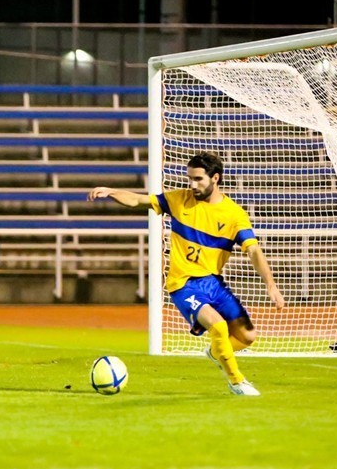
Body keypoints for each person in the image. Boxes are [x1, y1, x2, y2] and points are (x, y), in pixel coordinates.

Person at [87, 151, 285, 396]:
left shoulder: (234, 215)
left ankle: (216, 352)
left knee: (247, 336)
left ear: (215, 178)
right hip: (183, 284)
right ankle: (237, 382)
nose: (192, 184)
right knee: (218, 326)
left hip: (213, 284)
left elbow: (253, 250)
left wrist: (271, 285)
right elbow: (138, 200)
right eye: (190, 178)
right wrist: (112, 192)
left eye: (198, 179)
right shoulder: (179, 200)